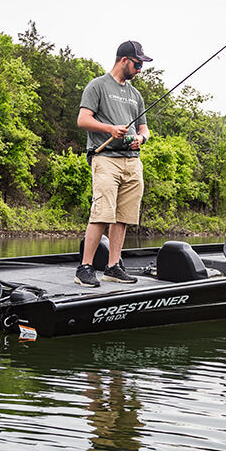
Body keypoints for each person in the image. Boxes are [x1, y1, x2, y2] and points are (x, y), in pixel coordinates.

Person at [74, 40, 152, 287]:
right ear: (124, 60)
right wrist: (109, 128)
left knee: (123, 216)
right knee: (101, 214)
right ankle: (84, 268)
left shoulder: (135, 94)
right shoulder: (97, 86)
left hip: (132, 162)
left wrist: (140, 139)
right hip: (105, 160)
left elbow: (145, 129)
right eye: (138, 64)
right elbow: (83, 120)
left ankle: (113, 266)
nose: (140, 69)